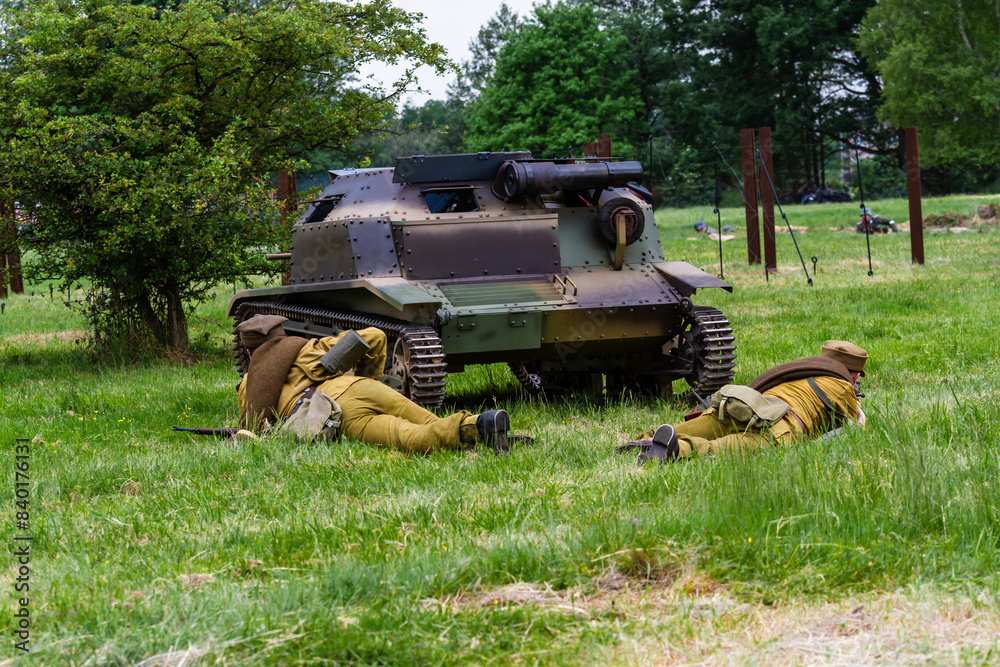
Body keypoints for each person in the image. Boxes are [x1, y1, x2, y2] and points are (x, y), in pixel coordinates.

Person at [235, 314, 524, 453]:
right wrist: (362, 377)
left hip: (338, 412)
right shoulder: (308, 348)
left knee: (407, 438)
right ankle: (480, 425)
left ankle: (471, 429)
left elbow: (254, 428)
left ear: (250, 351)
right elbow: (373, 336)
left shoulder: (251, 384)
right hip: (365, 387)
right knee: (426, 418)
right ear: (282, 336)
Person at [622, 340, 868, 463]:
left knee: (698, 428)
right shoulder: (843, 386)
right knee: (720, 449)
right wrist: (858, 409)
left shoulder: (803, 369)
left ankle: (646, 439)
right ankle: (674, 449)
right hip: (777, 424)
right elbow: (854, 429)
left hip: (742, 404)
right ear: (854, 374)